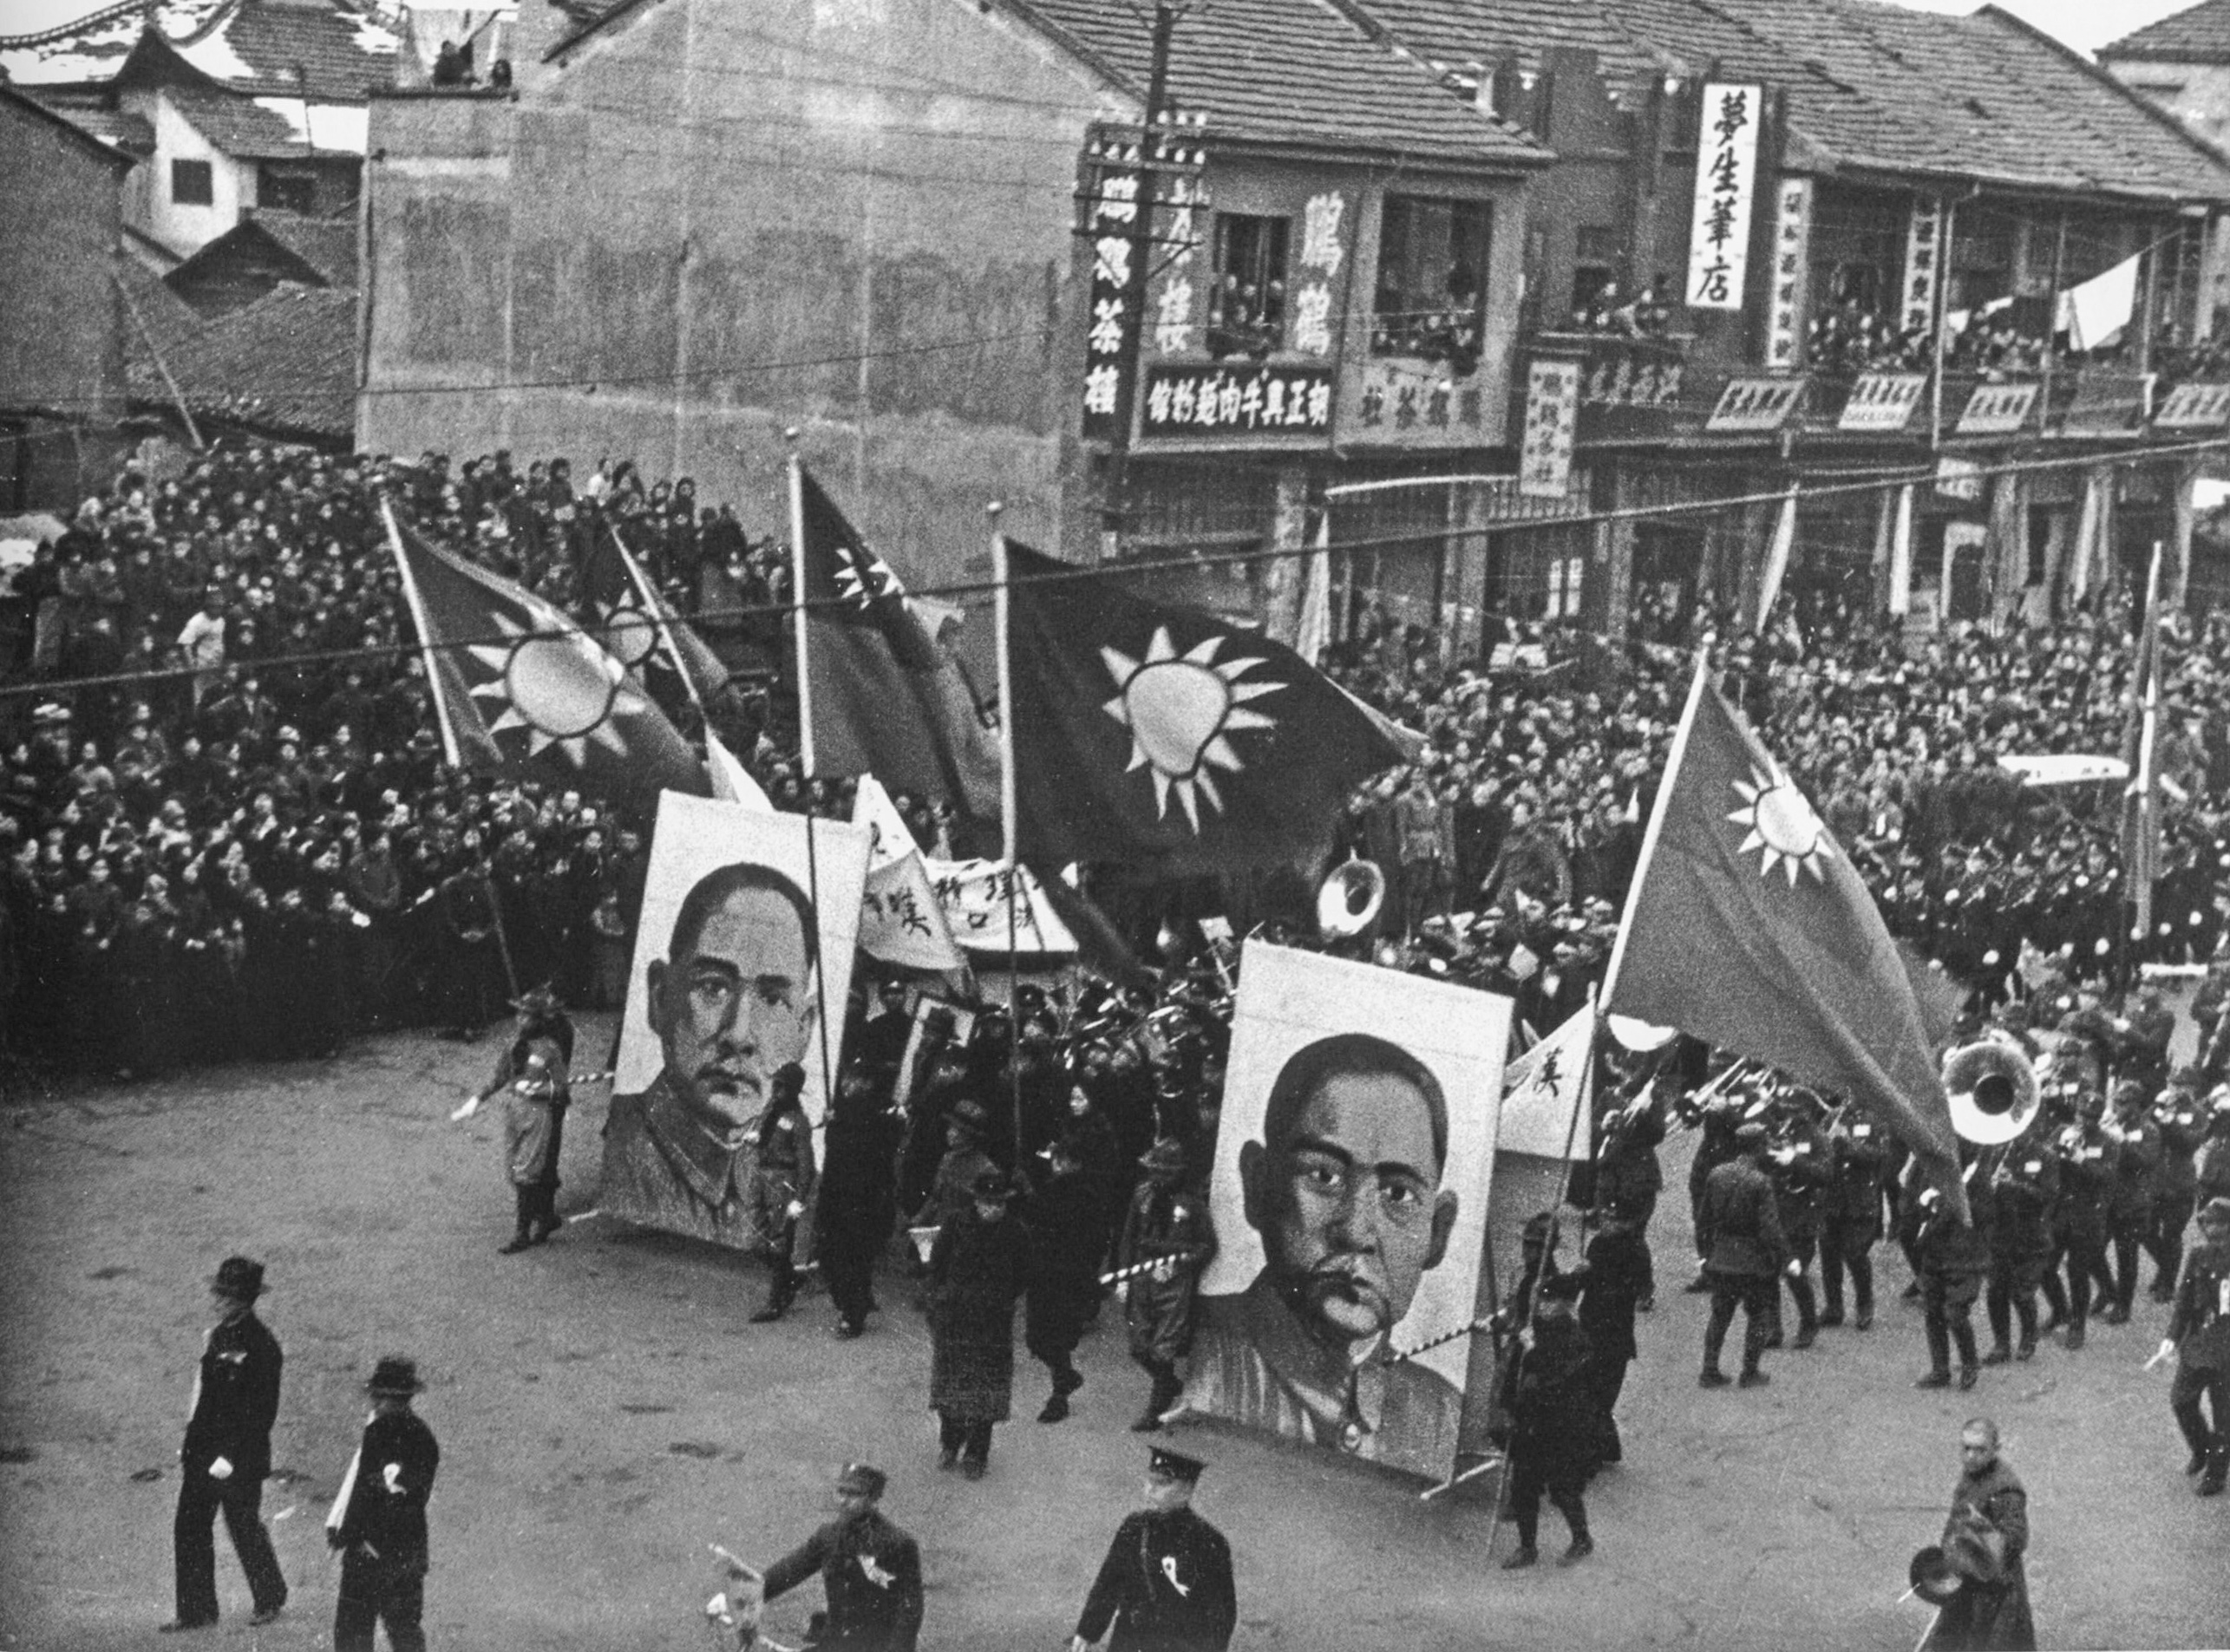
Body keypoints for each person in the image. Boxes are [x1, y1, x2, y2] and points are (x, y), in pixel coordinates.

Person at [1182, 1033, 1462, 1476]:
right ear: (1258, 1186)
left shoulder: (1442, 1415)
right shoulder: (1200, 1360)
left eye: (1397, 1193)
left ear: (1438, 1233)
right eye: (1323, 1175)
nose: (1355, 1231)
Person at [600, 860, 819, 1248]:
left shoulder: (780, 1149)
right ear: (660, 997)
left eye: (771, 999)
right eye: (713, 988)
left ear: (804, 1029)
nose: (738, 1034)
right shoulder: (625, 1147)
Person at [165, 1255, 288, 1632]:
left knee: (243, 1525)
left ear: (245, 1300)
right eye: (218, 1294)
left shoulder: (263, 1347)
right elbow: (205, 1398)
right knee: (189, 1526)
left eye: (227, 1296)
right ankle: (196, 1610)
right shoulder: (219, 1336)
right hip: (204, 1451)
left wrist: (230, 1457)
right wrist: (192, 1445)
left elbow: (260, 1415)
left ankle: (270, 1596)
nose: (218, 1301)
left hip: (239, 1457)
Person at [1069, 1446, 1237, 1652]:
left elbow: (1221, 1613)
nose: (1151, 1488)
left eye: (1162, 1483)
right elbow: (1109, 1581)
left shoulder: (1208, 1542)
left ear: (1187, 1491)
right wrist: (1088, 1631)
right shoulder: (1135, 1527)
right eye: (1150, 1480)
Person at [326, 1355, 441, 1652]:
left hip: (389, 1552)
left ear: (404, 1400)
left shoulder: (415, 1439)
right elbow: (360, 1488)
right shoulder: (384, 1432)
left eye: (383, 1398)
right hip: (384, 1551)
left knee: (393, 1629)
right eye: (376, 1397)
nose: (375, 1404)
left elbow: (407, 1499)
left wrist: (358, 1537)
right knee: (360, 1630)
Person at [758, 1462, 924, 1652]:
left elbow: (910, 1609)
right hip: (834, 1644)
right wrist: (746, 1594)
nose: (844, 1501)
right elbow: (788, 1571)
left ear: (873, 1498)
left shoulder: (897, 1543)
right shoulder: (829, 1536)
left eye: (854, 1494)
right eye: (841, 1492)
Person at [926, 1167, 1027, 1479]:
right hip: (955, 1317)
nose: (993, 1209)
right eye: (987, 1202)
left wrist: (1000, 1299)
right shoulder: (956, 1224)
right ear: (977, 1201)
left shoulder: (1016, 1232)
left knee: (986, 1390)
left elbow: (1023, 1274)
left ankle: (977, 1453)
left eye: (999, 1204)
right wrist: (942, 1299)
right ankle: (949, 1442)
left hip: (992, 1322)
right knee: (951, 1385)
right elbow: (937, 1264)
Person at [1117, 1139, 1214, 1433]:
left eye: (1165, 1172)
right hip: (1143, 1276)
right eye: (1154, 1171)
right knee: (1138, 1345)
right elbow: (1128, 1236)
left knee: (1163, 1348)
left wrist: (1179, 1263)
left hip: (1173, 1283)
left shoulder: (1192, 1203)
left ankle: (1155, 1411)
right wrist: (1123, 1276)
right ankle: (1169, 1383)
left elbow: (1206, 1245)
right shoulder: (1143, 1196)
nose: (1158, 1178)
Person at [1501, 1270, 1595, 1568]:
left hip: (1561, 1423)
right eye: (1542, 1299)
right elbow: (1516, 1372)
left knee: (1563, 1486)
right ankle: (1527, 1547)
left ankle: (1581, 1538)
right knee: (1523, 1485)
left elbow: (1557, 1378)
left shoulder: (1576, 1339)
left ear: (1567, 1304)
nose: (1543, 1306)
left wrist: (1532, 1351)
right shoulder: (1535, 1327)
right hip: (1530, 1418)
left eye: (1551, 1300)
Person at [1918, 1419, 2036, 1652]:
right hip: (1967, 1576)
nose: (1971, 1456)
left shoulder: (2006, 1489)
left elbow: (2017, 1538)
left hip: (1994, 1588)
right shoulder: (1972, 1473)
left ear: (1996, 1449)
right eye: (1966, 1448)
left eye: (1980, 1449)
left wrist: (1982, 1532)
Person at [1696, 1121, 1791, 1389]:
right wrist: (1786, 1257)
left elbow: (1703, 1220)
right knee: (1758, 1316)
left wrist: (1705, 1255)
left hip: (1722, 1256)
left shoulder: (1717, 1174)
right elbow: (1770, 1228)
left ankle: (1709, 1370)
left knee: (1720, 1315)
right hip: (1752, 1261)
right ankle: (1750, 1371)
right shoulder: (1761, 1182)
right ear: (1759, 1148)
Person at [1021, 1133, 1105, 1422]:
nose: (1057, 1165)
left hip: (1069, 1276)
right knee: (1036, 1339)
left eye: (1063, 1160)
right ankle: (1066, 1376)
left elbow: (1093, 1239)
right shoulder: (1048, 1190)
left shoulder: (1085, 1196)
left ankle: (1059, 1396)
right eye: (1055, 1160)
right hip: (1043, 1273)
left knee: (1056, 1338)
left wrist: (1086, 1272)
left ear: (1075, 1164)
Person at [2156, 1196, 2230, 1497]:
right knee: (2182, 1401)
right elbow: (2184, 1301)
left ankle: (2216, 1472)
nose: (2212, 1231)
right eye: (2207, 1224)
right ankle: (2201, 1448)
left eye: (2219, 1226)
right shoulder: (2198, 1255)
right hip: (2199, 1342)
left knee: (2224, 1413)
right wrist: (2171, 1337)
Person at [745, 1061, 818, 1322]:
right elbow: (760, 1135)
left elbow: (806, 1163)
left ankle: (775, 1302)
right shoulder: (770, 1112)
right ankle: (791, 1278)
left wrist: (799, 1198)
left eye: (782, 1087)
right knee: (756, 1240)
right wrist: (755, 1138)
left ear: (795, 1090)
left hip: (782, 1181)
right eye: (776, 1086)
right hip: (762, 1176)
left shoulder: (798, 1121)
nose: (777, 1092)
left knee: (778, 1244)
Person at [496, 1047, 569, 1253]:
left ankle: (522, 1234)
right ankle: (544, 1217)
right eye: (520, 1015)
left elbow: (561, 1088)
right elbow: (501, 1076)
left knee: (526, 1172)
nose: (522, 1020)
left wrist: (536, 1090)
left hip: (538, 1113)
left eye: (528, 1015)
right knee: (513, 1169)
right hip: (514, 1108)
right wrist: (480, 1097)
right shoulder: (513, 1043)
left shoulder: (551, 1048)